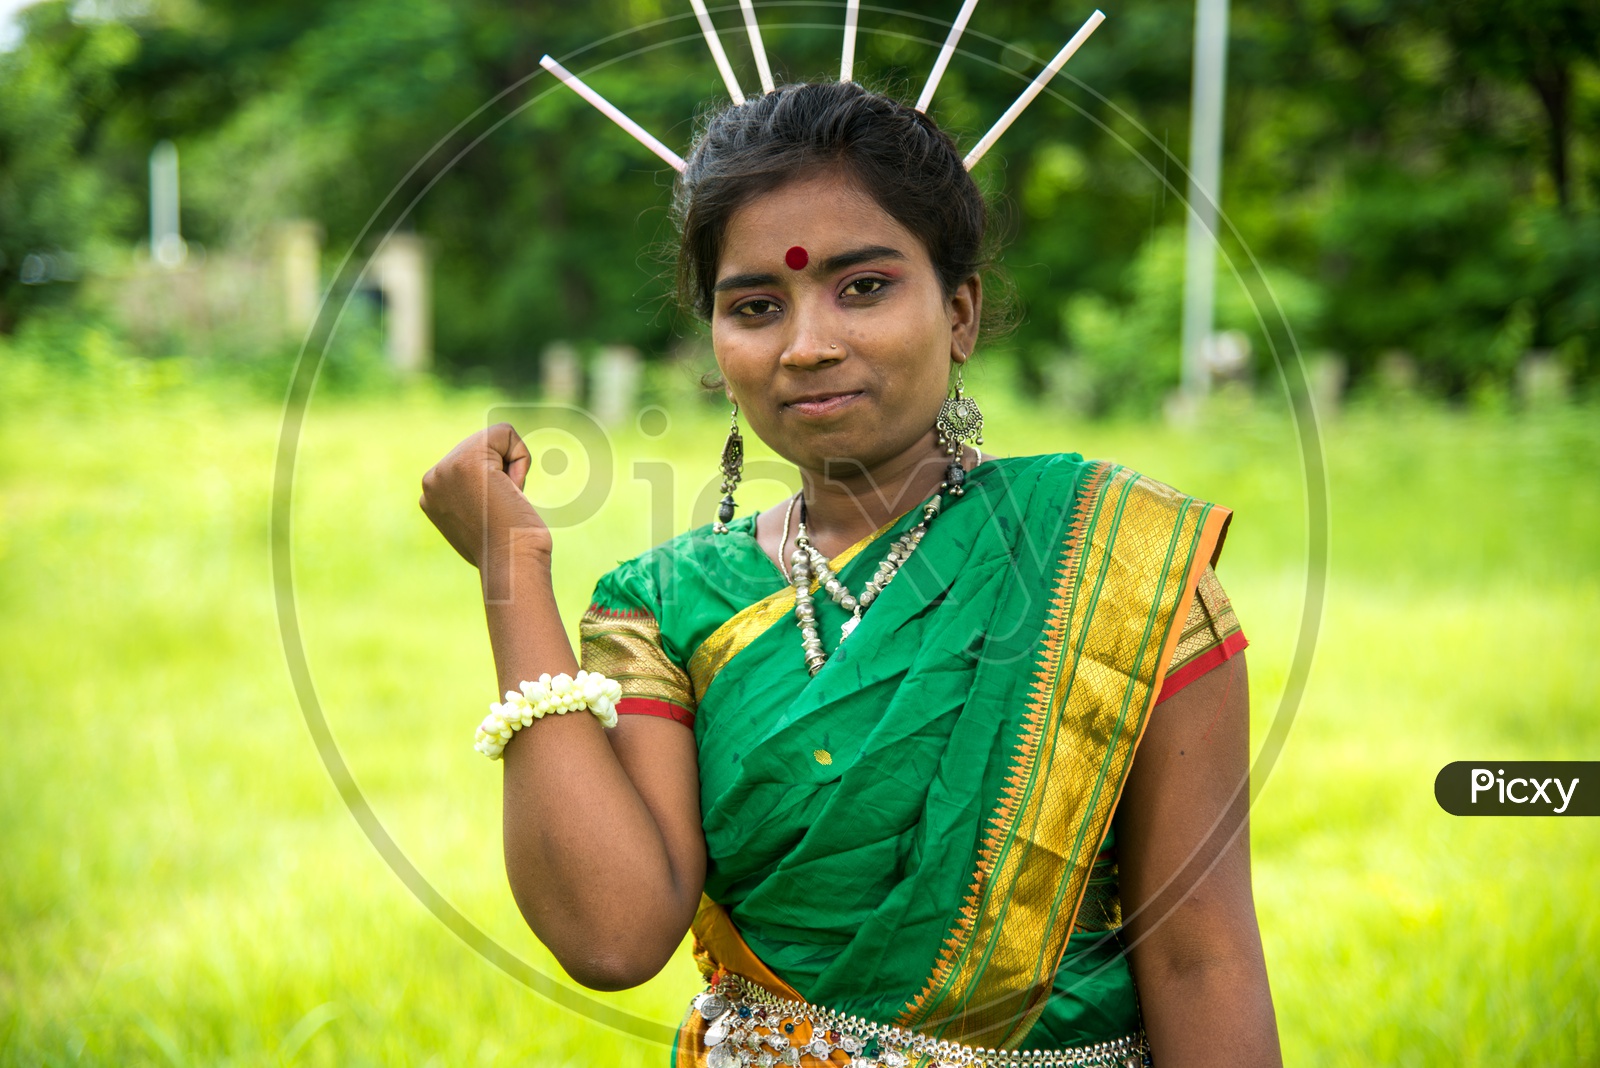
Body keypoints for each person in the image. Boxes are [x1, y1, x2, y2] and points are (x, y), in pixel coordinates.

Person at [420, 81, 1281, 1068]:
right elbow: (611, 938)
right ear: (715, 342)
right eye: (756, 306)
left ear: (959, 312)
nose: (808, 346)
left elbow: (1201, 958)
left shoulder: (1115, 565)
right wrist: (511, 568)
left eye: (863, 287)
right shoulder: (666, 606)